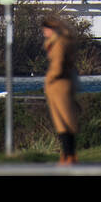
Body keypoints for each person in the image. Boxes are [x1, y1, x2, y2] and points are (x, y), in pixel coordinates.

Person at [41, 16, 79, 165]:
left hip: (59, 85)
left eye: (46, 29)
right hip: (61, 85)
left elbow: (58, 65)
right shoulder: (60, 42)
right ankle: (68, 154)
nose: (44, 32)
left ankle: (69, 155)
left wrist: (49, 79)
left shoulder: (59, 43)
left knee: (64, 122)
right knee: (64, 121)